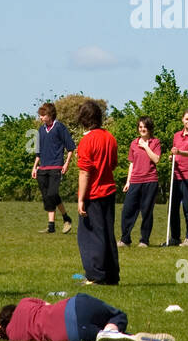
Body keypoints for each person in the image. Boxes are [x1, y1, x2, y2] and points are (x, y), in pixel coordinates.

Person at [0, 294, 174, 341]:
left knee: (93, 332)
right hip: (74, 306)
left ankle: (109, 334)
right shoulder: (23, 303)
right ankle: (113, 330)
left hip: (73, 334)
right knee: (118, 315)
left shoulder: (13, 336)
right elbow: (46, 304)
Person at [75, 100, 119, 285]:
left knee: (89, 236)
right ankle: (111, 275)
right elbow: (114, 164)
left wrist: (81, 199)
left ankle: (95, 274)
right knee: (108, 234)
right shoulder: (110, 138)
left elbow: (85, 172)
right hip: (109, 191)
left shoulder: (86, 141)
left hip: (93, 193)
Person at [32, 102, 75, 234]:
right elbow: (38, 152)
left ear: (50, 115)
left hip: (56, 166)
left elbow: (71, 148)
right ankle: (51, 226)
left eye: (43, 115)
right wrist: (34, 167)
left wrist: (66, 163)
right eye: (40, 115)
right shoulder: (40, 130)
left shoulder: (60, 128)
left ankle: (66, 218)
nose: (40, 117)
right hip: (42, 168)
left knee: (52, 194)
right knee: (47, 197)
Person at [120, 117, 161, 247]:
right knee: (127, 210)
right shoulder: (133, 143)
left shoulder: (155, 142)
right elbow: (131, 164)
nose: (142, 129)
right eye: (140, 127)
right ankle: (125, 239)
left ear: (149, 128)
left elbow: (156, 159)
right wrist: (128, 182)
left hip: (150, 180)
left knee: (147, 211)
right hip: (135, 181)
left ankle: (144, 240)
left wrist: (146, 147)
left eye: (145, 127)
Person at [165, 110, 188, 246]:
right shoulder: (176, 136)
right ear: (182, 120)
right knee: (173, 208)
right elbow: (176, 152)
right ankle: (175, 237)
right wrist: (172, 156)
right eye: (186, 119)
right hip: (176, 175)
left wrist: (179, 152)